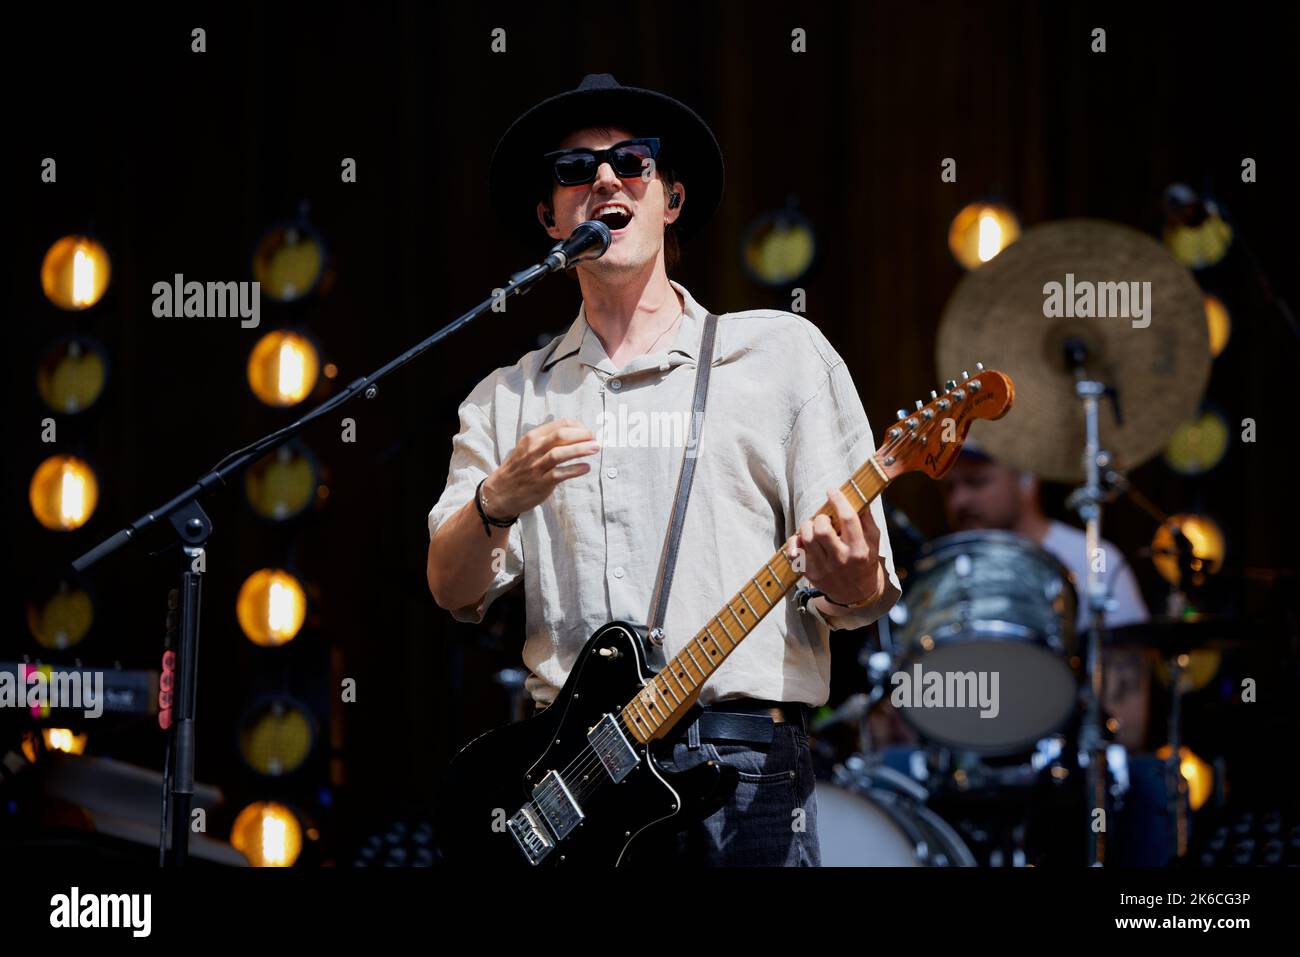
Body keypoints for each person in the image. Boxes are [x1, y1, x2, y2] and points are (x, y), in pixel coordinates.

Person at [425, 74, 901, 866]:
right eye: (575, 171)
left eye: (632, 162)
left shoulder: (782, 356)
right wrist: (496, 500)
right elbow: (451, 587)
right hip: (573, 785)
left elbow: (864, 587)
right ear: (551, 218)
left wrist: (851, 577)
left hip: (746, 767)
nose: (606, 181)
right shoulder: (508, 397)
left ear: (670, 200)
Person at [937, 444, 1152, 749]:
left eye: (977, 482)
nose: (960, 500)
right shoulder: (943, 576)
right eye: (949, 489)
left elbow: (1129, 722)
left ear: (1027, 480)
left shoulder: (1094, 560)